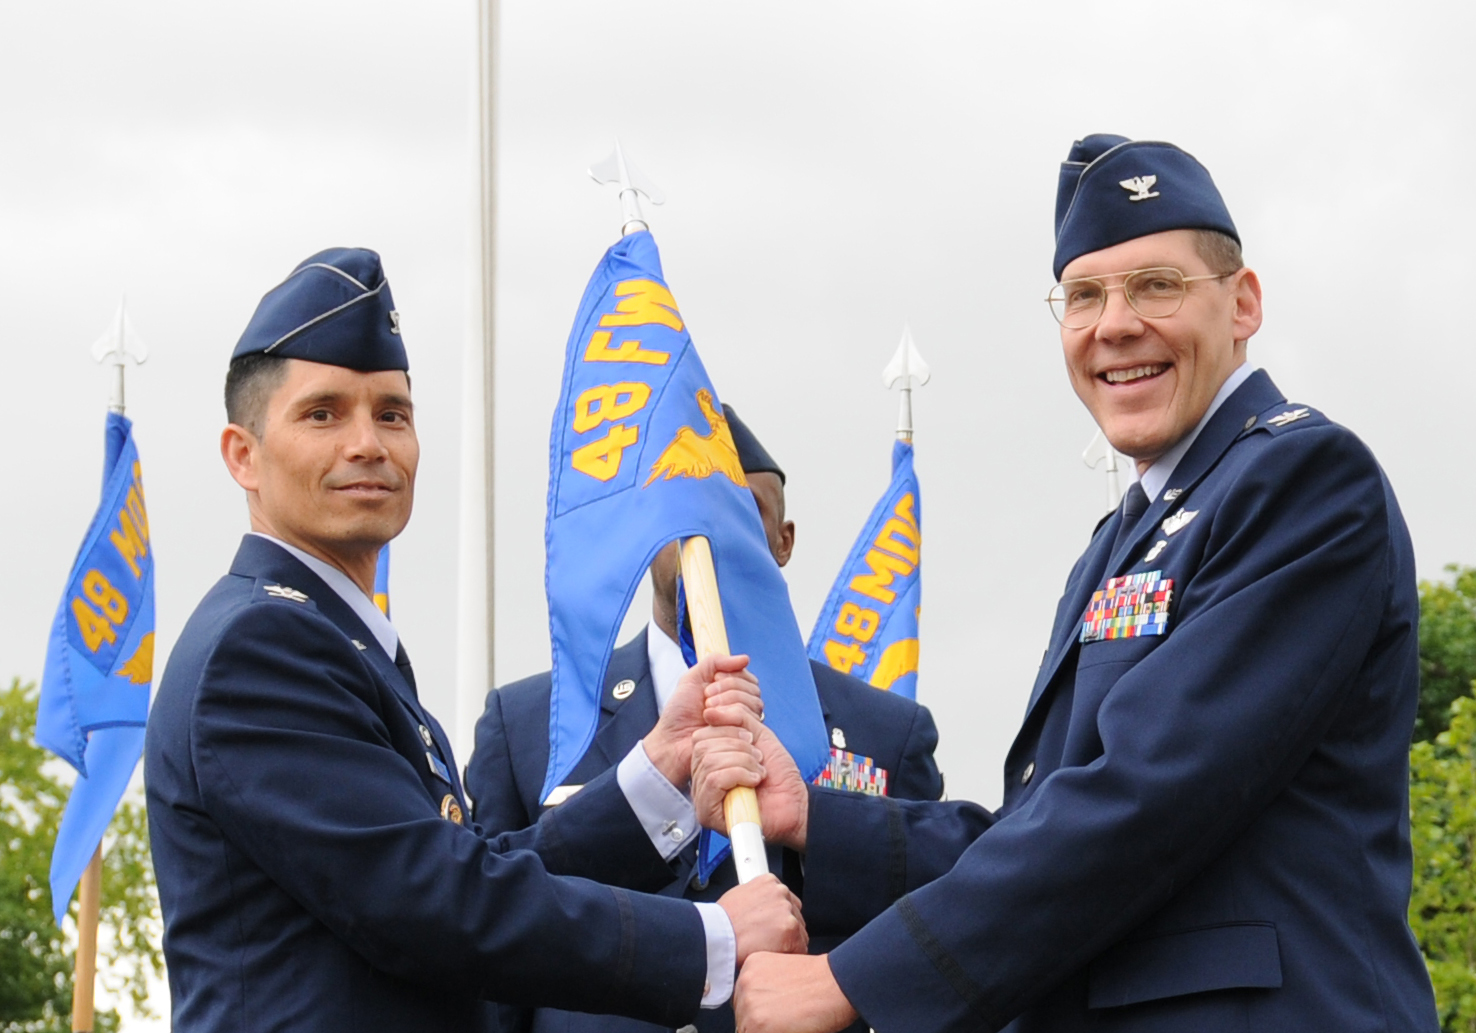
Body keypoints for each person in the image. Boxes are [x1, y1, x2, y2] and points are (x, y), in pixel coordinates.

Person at [693, 136, 1441, 1032]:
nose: (1114, 325)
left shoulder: (1306, 480)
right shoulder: (1119, 541)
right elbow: (1041, 822)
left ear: (1243, 303)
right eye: (1083, 296)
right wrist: (817, 817)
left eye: (1156, 285)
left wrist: (850, 982)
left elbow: (1142, 801)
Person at [144, 248, 807, 1033]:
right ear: (242, 456)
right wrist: (715, 940)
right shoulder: (260, 647)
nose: (367, 443)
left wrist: (659, 772)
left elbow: (472, 871)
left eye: (392, 413)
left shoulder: (332, 638)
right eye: (322, 413)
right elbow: (429, 899)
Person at [466, 404, 944, 1033]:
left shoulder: (887, 732)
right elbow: (488, 959)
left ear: (783, 540)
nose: (710, 532)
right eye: (685, 508)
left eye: (742, 510)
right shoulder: (529, 726)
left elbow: (923, 946)